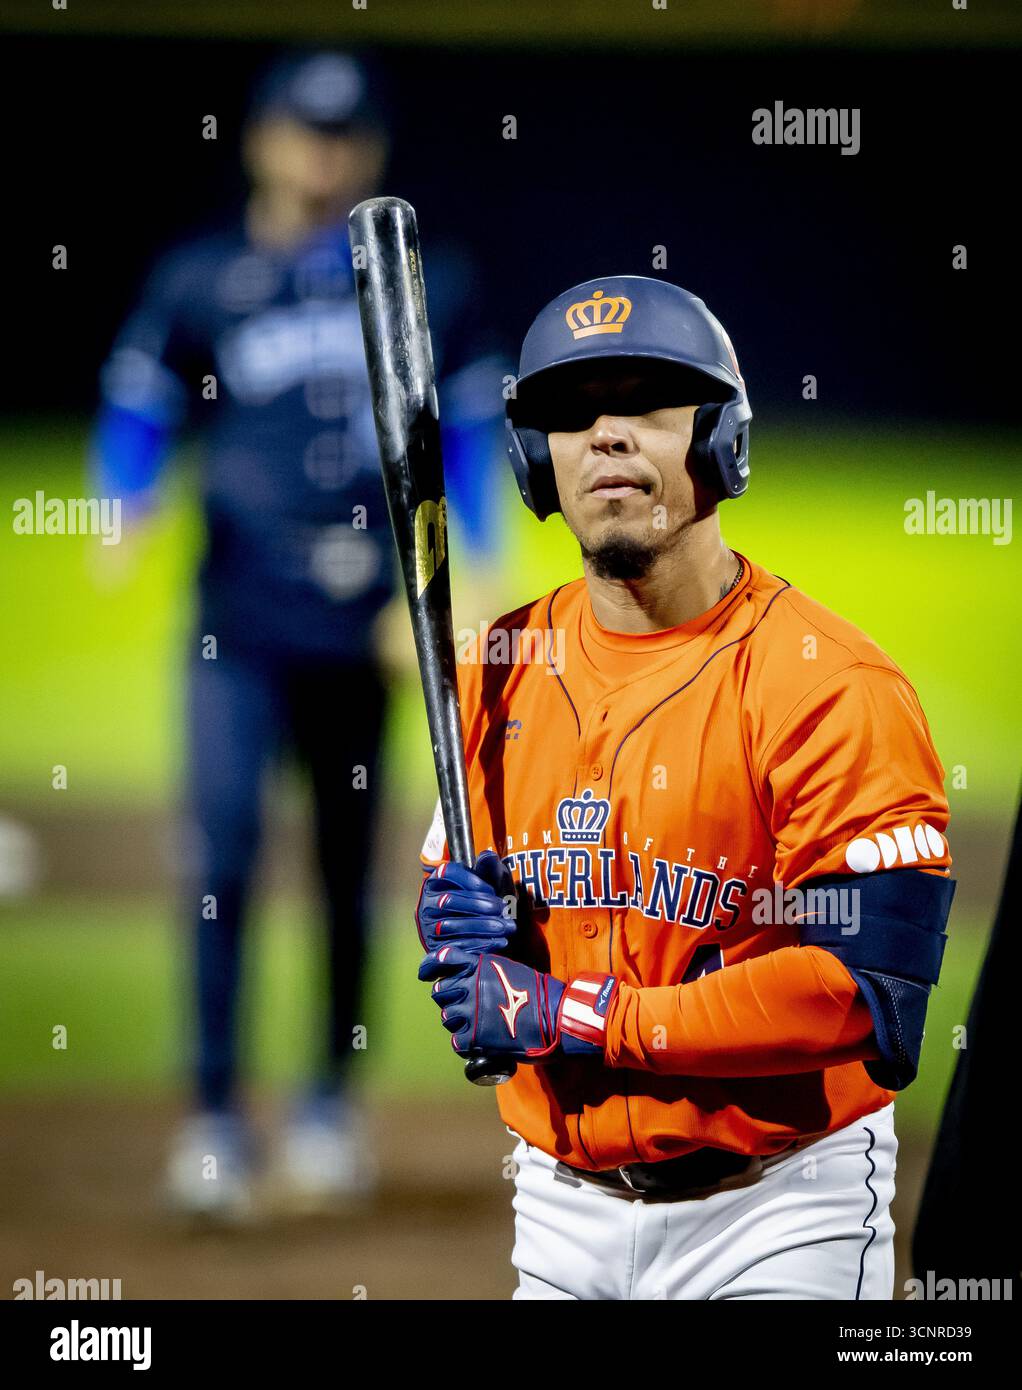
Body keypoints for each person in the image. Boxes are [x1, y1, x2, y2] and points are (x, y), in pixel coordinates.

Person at [416, 275, 956, 1299]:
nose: (605, 435)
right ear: (537, 459)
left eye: (644, 400)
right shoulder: (492, 667)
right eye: (571, 412)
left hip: (777, 1208)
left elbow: (862, 997)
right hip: (554, 1204)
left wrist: (572, 1014)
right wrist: (451, 927)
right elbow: (457, 898)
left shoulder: (827, 684)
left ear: (718, 439)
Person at [93, 51, 504, 1218]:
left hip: (366, 628)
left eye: (344, 133)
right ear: (261, 139)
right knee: (219, 861)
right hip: (237, 627)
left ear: (369, 149)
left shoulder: (420, 277)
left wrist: (462, 565)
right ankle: (215, 1120)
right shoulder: (202, 279)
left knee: (340, 875)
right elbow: (142, 399)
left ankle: (327, 1108)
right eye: (303, 130)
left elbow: (460, 429)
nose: (323, 153)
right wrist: (120, 499)